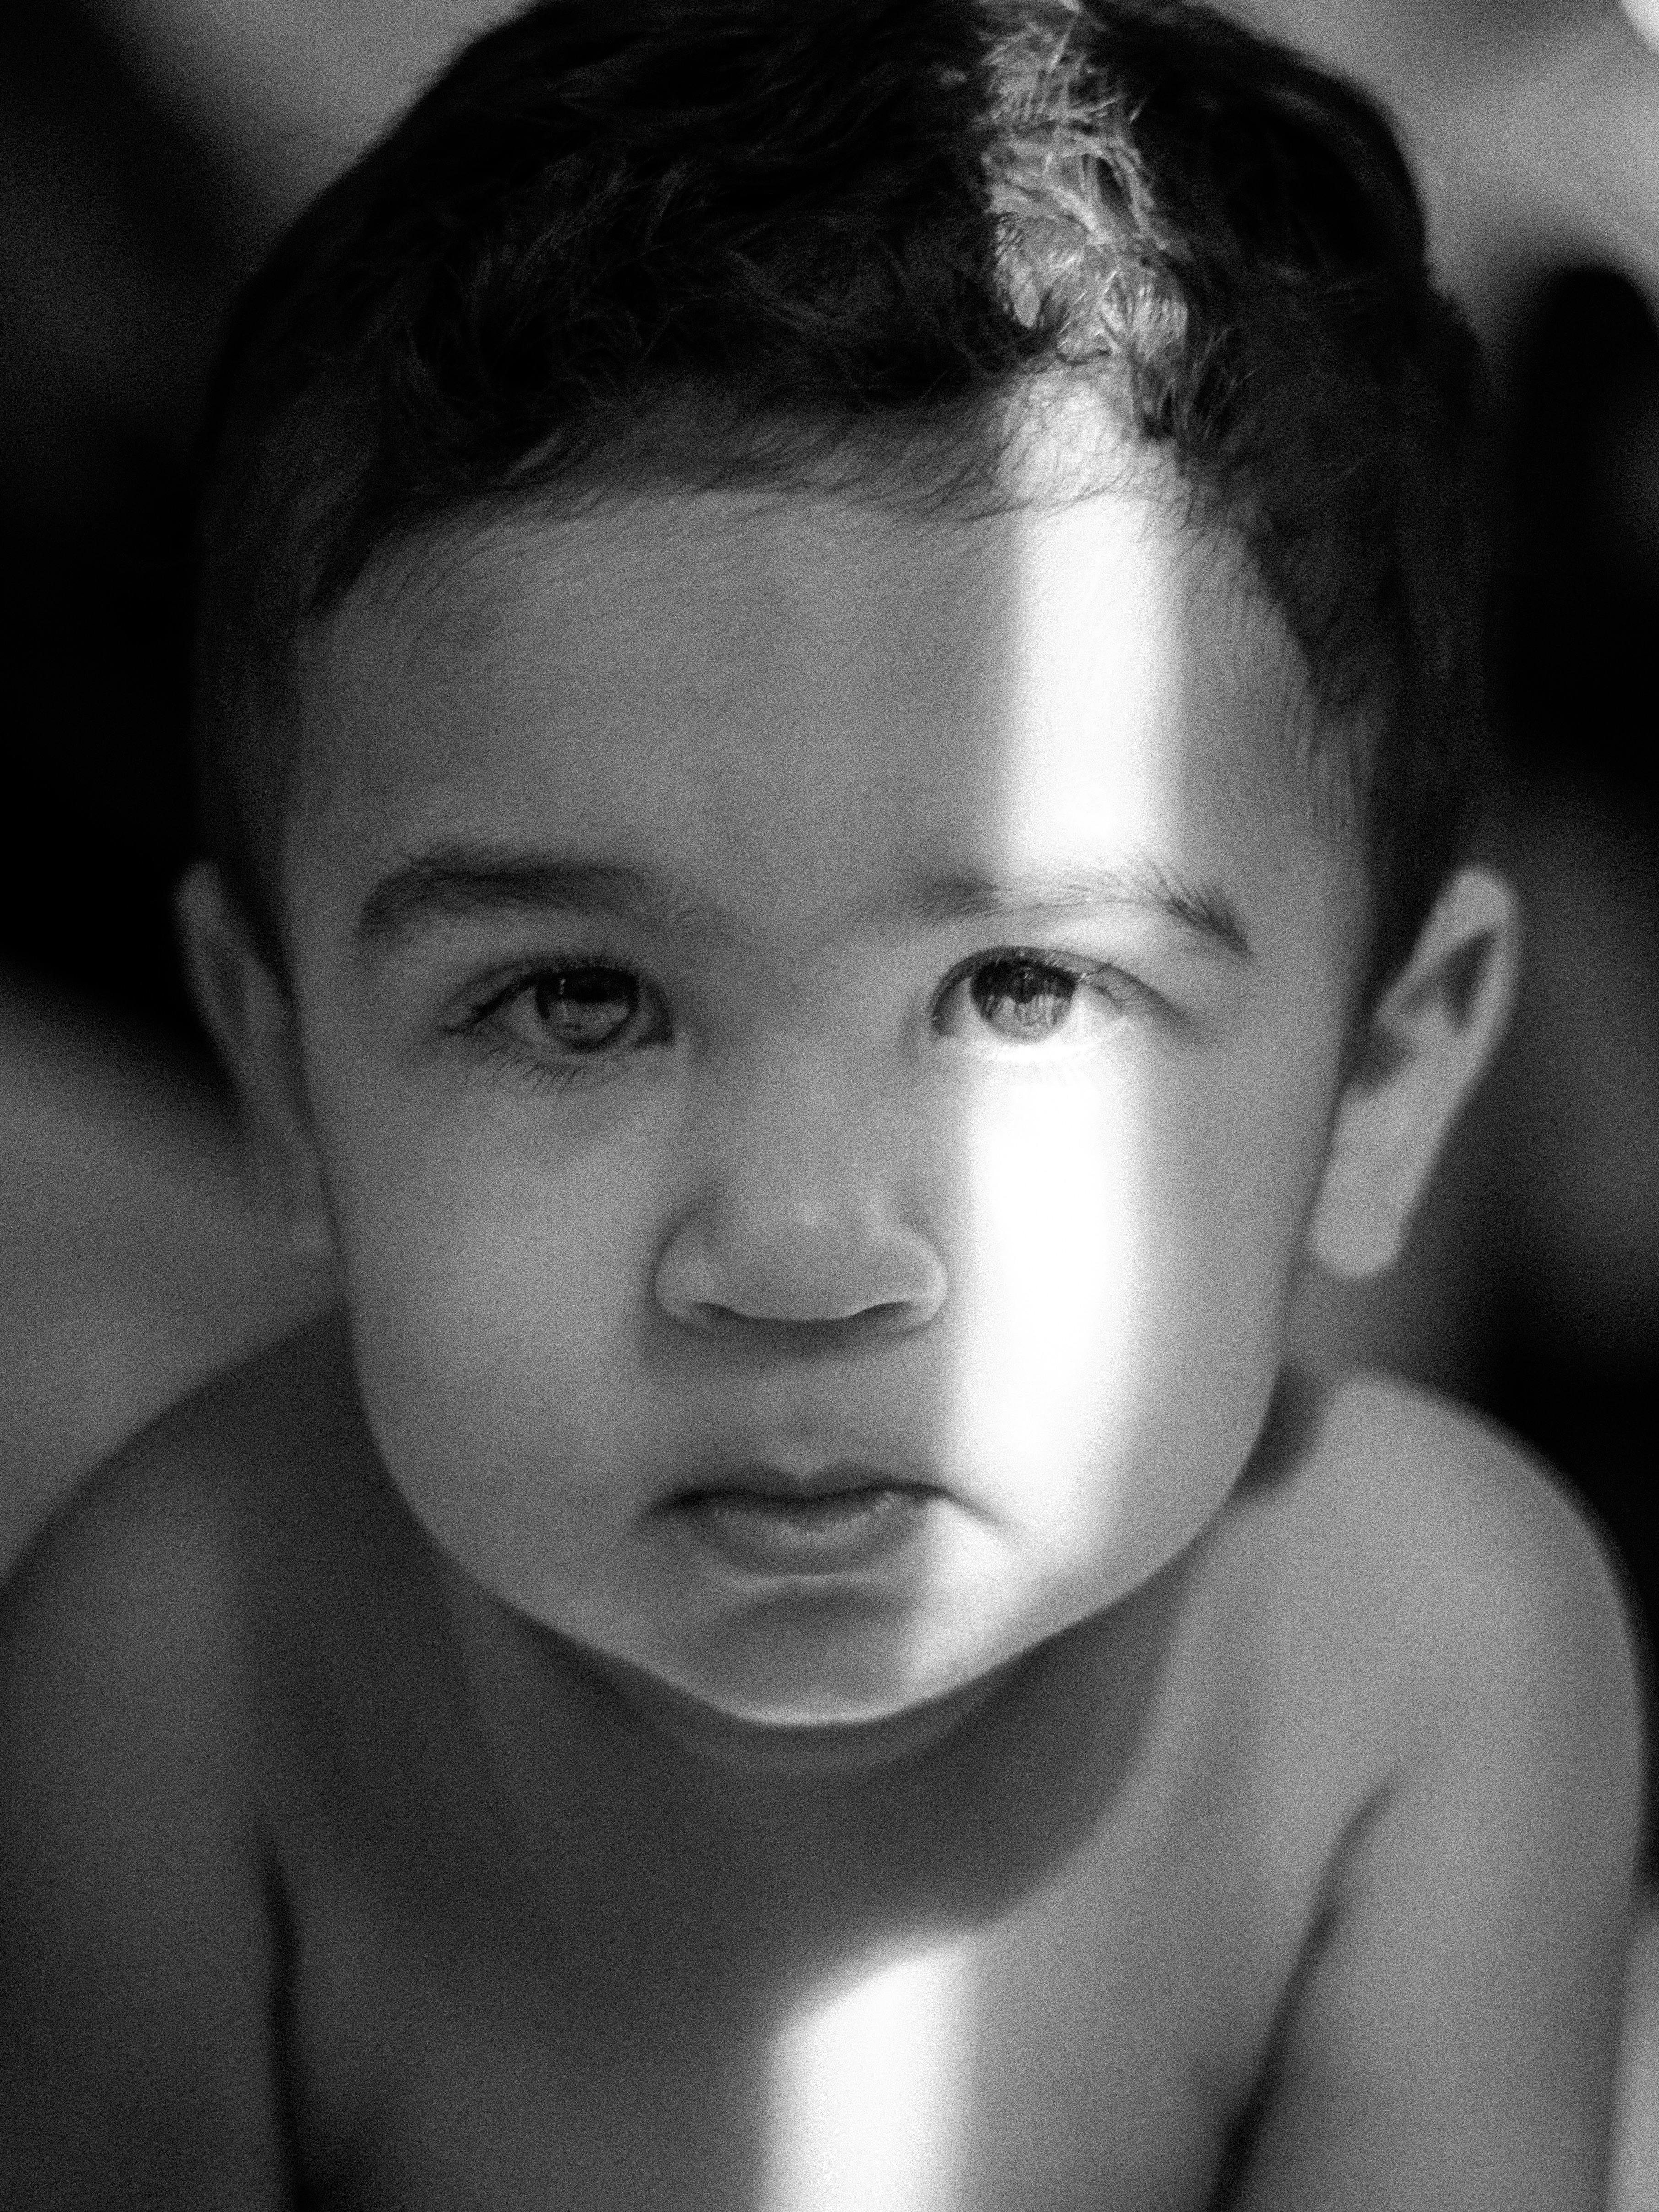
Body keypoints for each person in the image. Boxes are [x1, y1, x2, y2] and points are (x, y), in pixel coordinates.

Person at [0, 1, 1643, 2204]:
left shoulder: (1425, 1663)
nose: (796, 1252)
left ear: (1384, 1074)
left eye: (1030, 983)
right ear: (282, 1064)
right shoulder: (177, 1666)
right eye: (576, 1000)